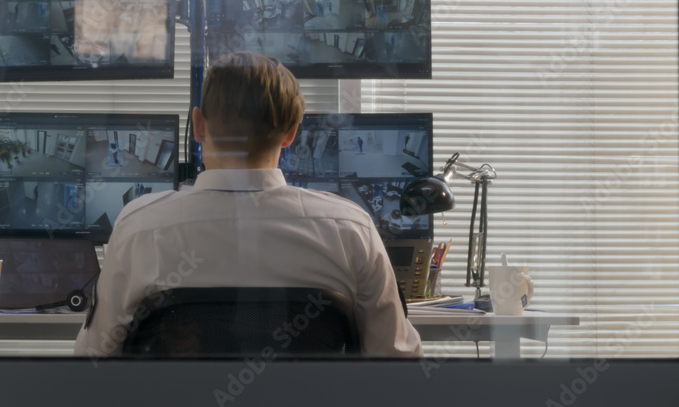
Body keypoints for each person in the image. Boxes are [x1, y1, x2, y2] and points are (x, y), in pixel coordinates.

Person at [74, 51, 422, 358]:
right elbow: (396, 364)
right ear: (291, 134)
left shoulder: (138, 227)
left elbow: (94, 359)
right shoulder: (352, 231)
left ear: (198, 125)